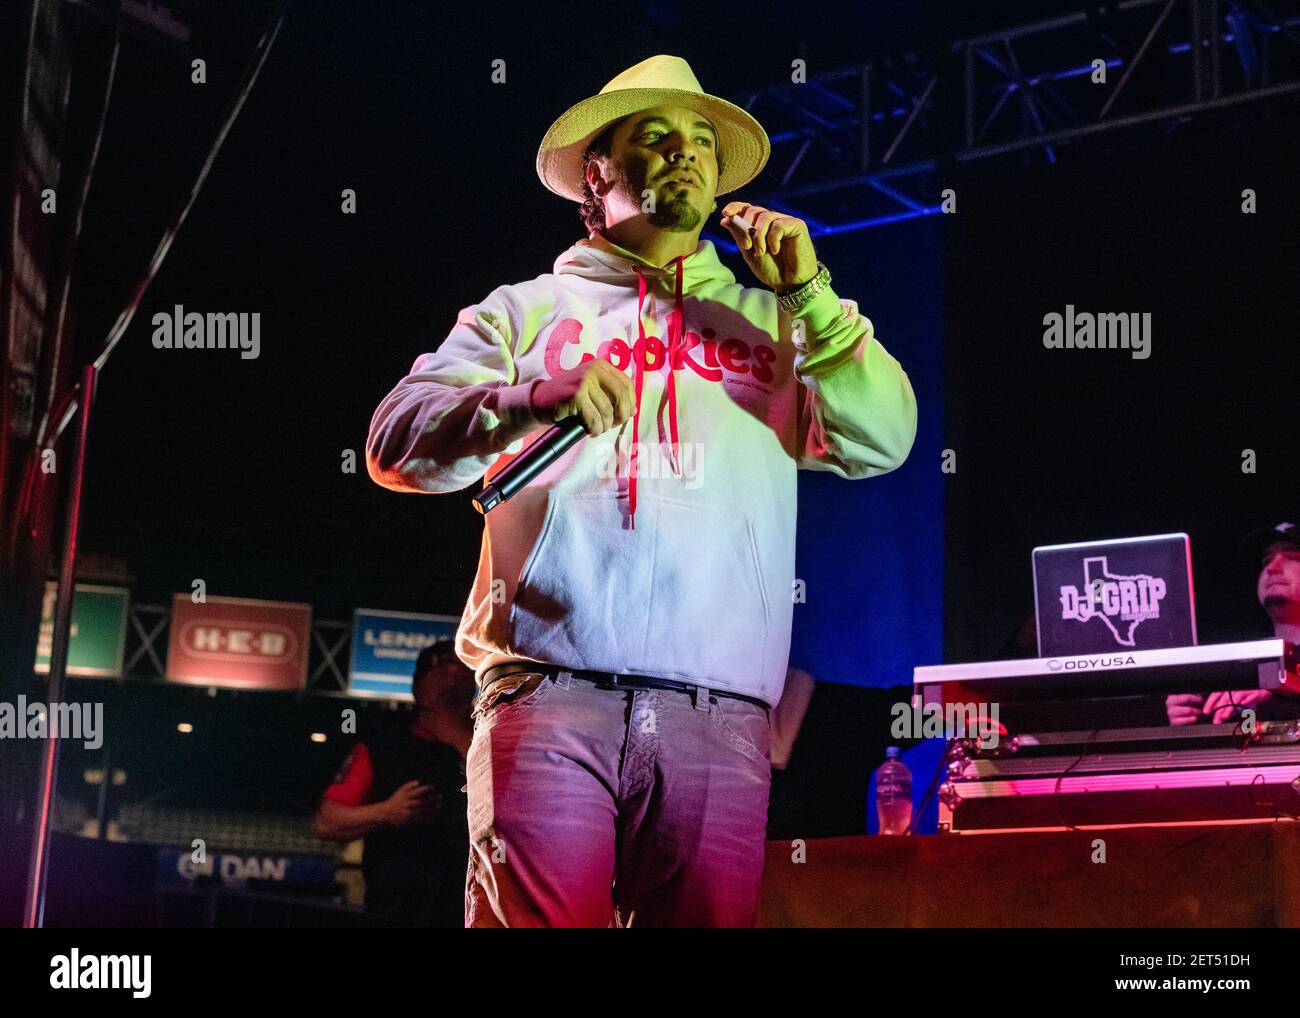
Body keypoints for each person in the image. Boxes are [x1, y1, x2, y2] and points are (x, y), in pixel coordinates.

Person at [366, 54, 917, 927]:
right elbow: (395, 443)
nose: (685, 152)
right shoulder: (526, 310)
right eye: (653, 137)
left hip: (718, 709)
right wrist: (526, 399)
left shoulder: (772, 321)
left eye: (701, 139)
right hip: (548, 693)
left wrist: (810, 292)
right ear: (598, 173)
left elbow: (885, 436)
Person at [314, 639, 474, 927]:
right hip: (395, 914)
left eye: (463, 677)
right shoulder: (383, 745)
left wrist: (461, 737)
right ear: (418, 689)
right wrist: (388, 812)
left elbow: (515, 807)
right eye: (441, 676)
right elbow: (327, 821)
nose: (452, 684)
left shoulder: (491, 741)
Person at [1166, 520, 1300, 725]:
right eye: (1265, 561)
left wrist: (1282, 685)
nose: (1272, 568)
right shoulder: (1238, 665)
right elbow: (1243, 735)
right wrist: (1189, 719)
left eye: (1292, 557)